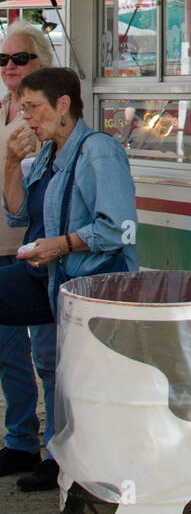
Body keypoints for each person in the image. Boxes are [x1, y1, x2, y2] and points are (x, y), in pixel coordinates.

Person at [0, 68, 139, 489]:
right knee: (58, 365)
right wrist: (10, 161)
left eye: (33, 108)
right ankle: (53, 451)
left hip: (88, 282)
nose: (27, 119)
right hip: (50, 273)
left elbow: (120, 228)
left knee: (74, 371)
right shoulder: (48, 152)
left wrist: (59, 245)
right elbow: (18, 214)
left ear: (64, 105)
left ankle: (64, 457)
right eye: (23, 110)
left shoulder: (98, 151)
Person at [0, 24, 58, 491]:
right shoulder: (5, 109)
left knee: (48, 355)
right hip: (11, 246)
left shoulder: (48, 118)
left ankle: (56, 449)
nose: (10, 68)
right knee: (9, 354)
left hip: (37, 252)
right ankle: (21, 439)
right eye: (2, 61)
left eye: (19, 60)